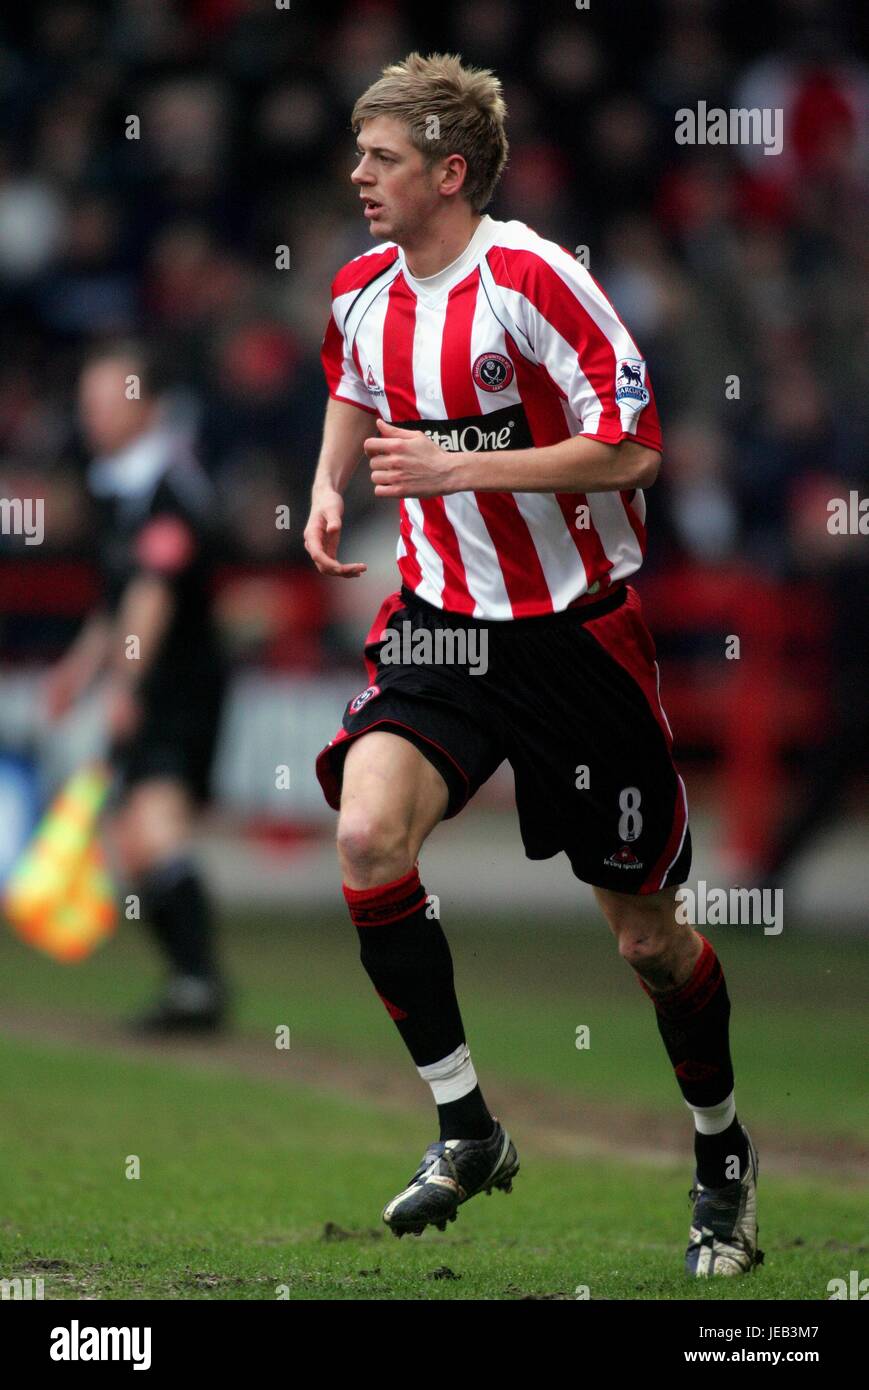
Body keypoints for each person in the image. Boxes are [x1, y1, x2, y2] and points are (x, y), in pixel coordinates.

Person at [304, 53, 760, 1277]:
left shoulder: (537, 283)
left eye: (382, 159)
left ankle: (719, 1156)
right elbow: (355, 382)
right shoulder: (358, 290)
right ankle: (466, 1127)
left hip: (572, 634)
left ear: (448, 173)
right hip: (442, 624)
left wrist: (460, 470)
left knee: (646, 940)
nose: (358, 176)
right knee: (364, 840)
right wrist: (326, 480)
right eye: (360, 155)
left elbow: (630, 450)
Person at [45, 342, 228, 1034]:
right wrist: (75, 671)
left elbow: (150, 600)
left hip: (177, 685)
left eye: (105, 399)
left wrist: (123, 685)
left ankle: (199, 985)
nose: (90, 413)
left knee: (152, 825)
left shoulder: (168, 490)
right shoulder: (117, 486)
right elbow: (116, 601)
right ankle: (191, 981)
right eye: (87, 400)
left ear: (146, 405)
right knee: (132, 836)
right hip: (148, 679)